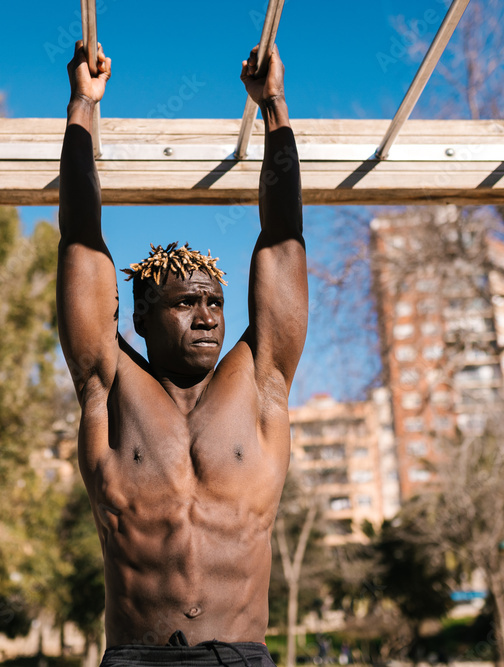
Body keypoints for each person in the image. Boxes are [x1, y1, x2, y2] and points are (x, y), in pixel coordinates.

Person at [57, 37, 306, 667]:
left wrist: (274, 104)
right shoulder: (110, 389)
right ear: (138, 316)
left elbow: (282, 237)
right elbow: (80, 236)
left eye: (215, 302)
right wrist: (82, 106)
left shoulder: (261, 380)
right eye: (183, 303)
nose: (206, 317)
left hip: (241, 656)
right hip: (138, 658)